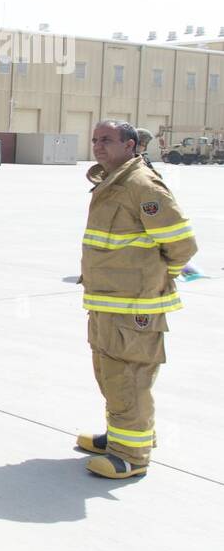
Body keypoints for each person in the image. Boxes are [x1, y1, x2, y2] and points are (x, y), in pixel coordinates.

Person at [76, 120, 197, 479]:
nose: (99, 146)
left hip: (134, 308)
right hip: (108, 304)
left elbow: (182, 244)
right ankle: (121, 435)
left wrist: (163, 276)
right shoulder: (112, 182)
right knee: (111, 375)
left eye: (108, 140)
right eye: (95, 139)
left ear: (130, 145)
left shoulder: (140, 184)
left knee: (129, 378)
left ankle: (131, 456)